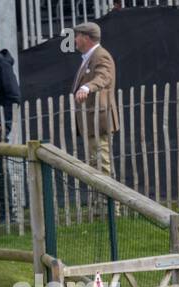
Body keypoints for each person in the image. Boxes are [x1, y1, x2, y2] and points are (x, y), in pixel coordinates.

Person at [70, 21, 117, 177]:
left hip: (99, 120)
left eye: (77, 36)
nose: (75, 40)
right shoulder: (88, 58)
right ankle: (100, 201)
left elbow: (104, 77)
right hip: (91, 121)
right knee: (94, 164)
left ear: (86, 38)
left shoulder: (101, 55)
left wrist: (86, 87)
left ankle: (110, 202)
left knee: (102, 164)